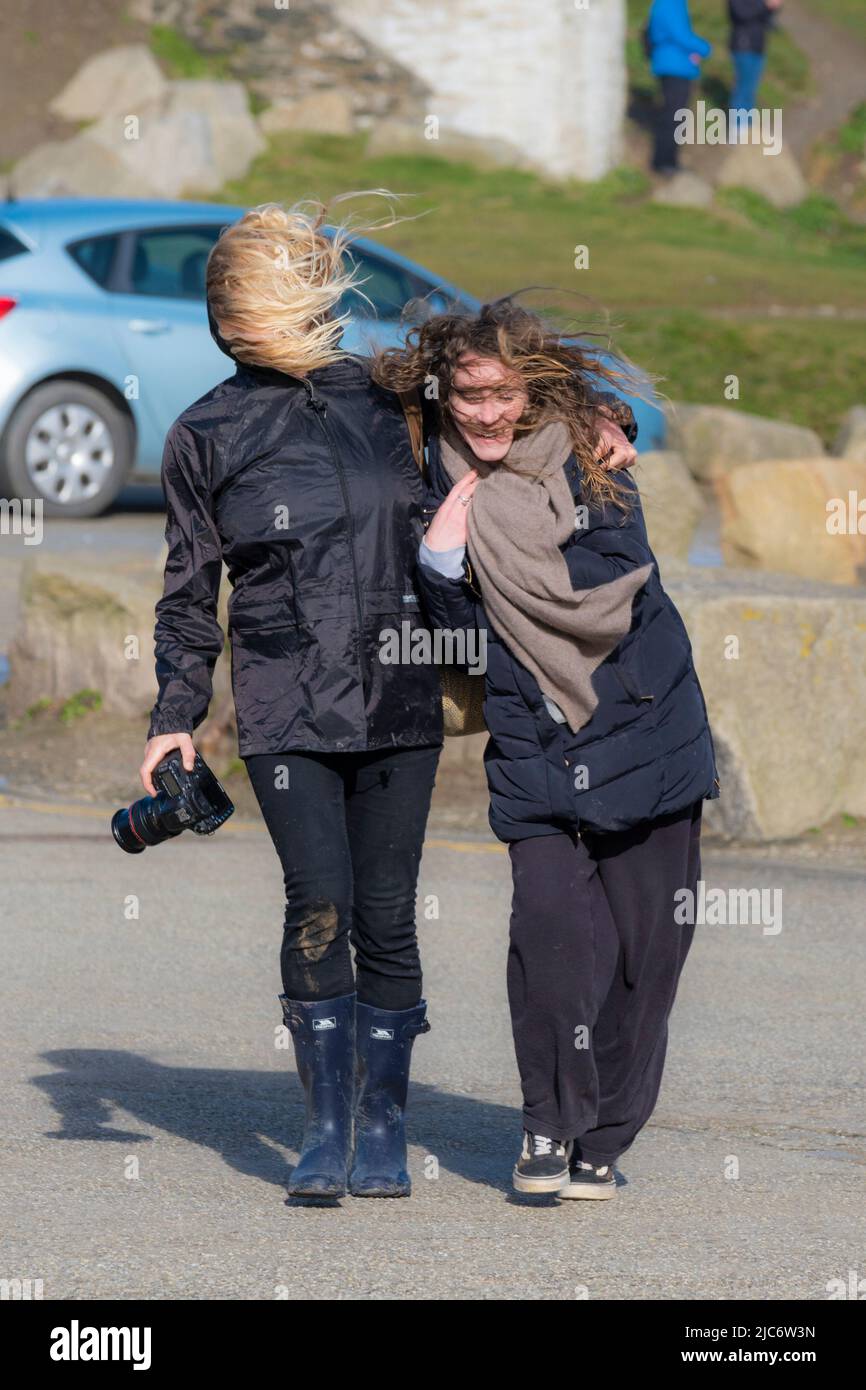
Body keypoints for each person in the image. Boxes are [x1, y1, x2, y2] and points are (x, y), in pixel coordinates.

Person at [140, 202, 637, 1202]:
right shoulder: (204, 434)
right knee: (316, 905)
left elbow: (502, 400)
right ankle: (324, 1126)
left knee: (387, 916)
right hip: (284, 705)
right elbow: (190, 592)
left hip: (403, 694)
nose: (233, 323)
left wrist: (597, 421)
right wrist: (172, 715)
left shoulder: (388, 400)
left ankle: (382, 1124)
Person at [373, 299, 720, 1199]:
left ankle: (604, 1136)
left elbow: (604, 593)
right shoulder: (430, 475)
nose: (485, 415)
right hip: (536, 749)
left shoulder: (594, 460)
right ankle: (546, 1128)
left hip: (646, 730)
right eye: (467, 396)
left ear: (536, 391)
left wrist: (612, 414)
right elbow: (468, 655)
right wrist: (444, 568)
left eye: (504, 395)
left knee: (649, 959)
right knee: (551, 945)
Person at [646, 0, 712, 174]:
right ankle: (664, 162)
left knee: (676, 115)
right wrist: (703, 48)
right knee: (674, 116)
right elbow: (680, 34)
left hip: (675, 64)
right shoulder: (670, 3)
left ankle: (669, 160)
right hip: (674, 66)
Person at [729, 0, 783, 135]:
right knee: (743, 88)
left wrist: (773, 7)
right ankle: (737, 130)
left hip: (758, 46)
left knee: (751, 90)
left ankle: (747, 127)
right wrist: (765, 5)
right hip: (743, 45)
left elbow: (767, 20)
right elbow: (741, 13)